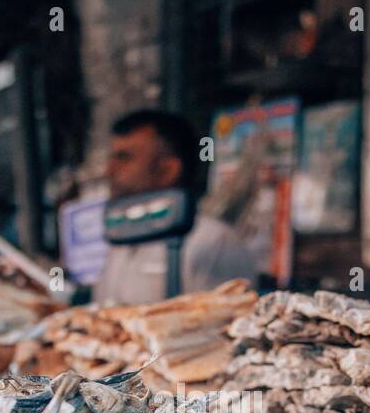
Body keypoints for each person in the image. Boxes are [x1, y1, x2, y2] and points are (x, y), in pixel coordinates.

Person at [92, 109, 257, 307]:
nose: (109, 171)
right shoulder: (120, 238)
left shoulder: (214, 242)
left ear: (168, 170)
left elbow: (223, 326)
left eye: (124, 158)